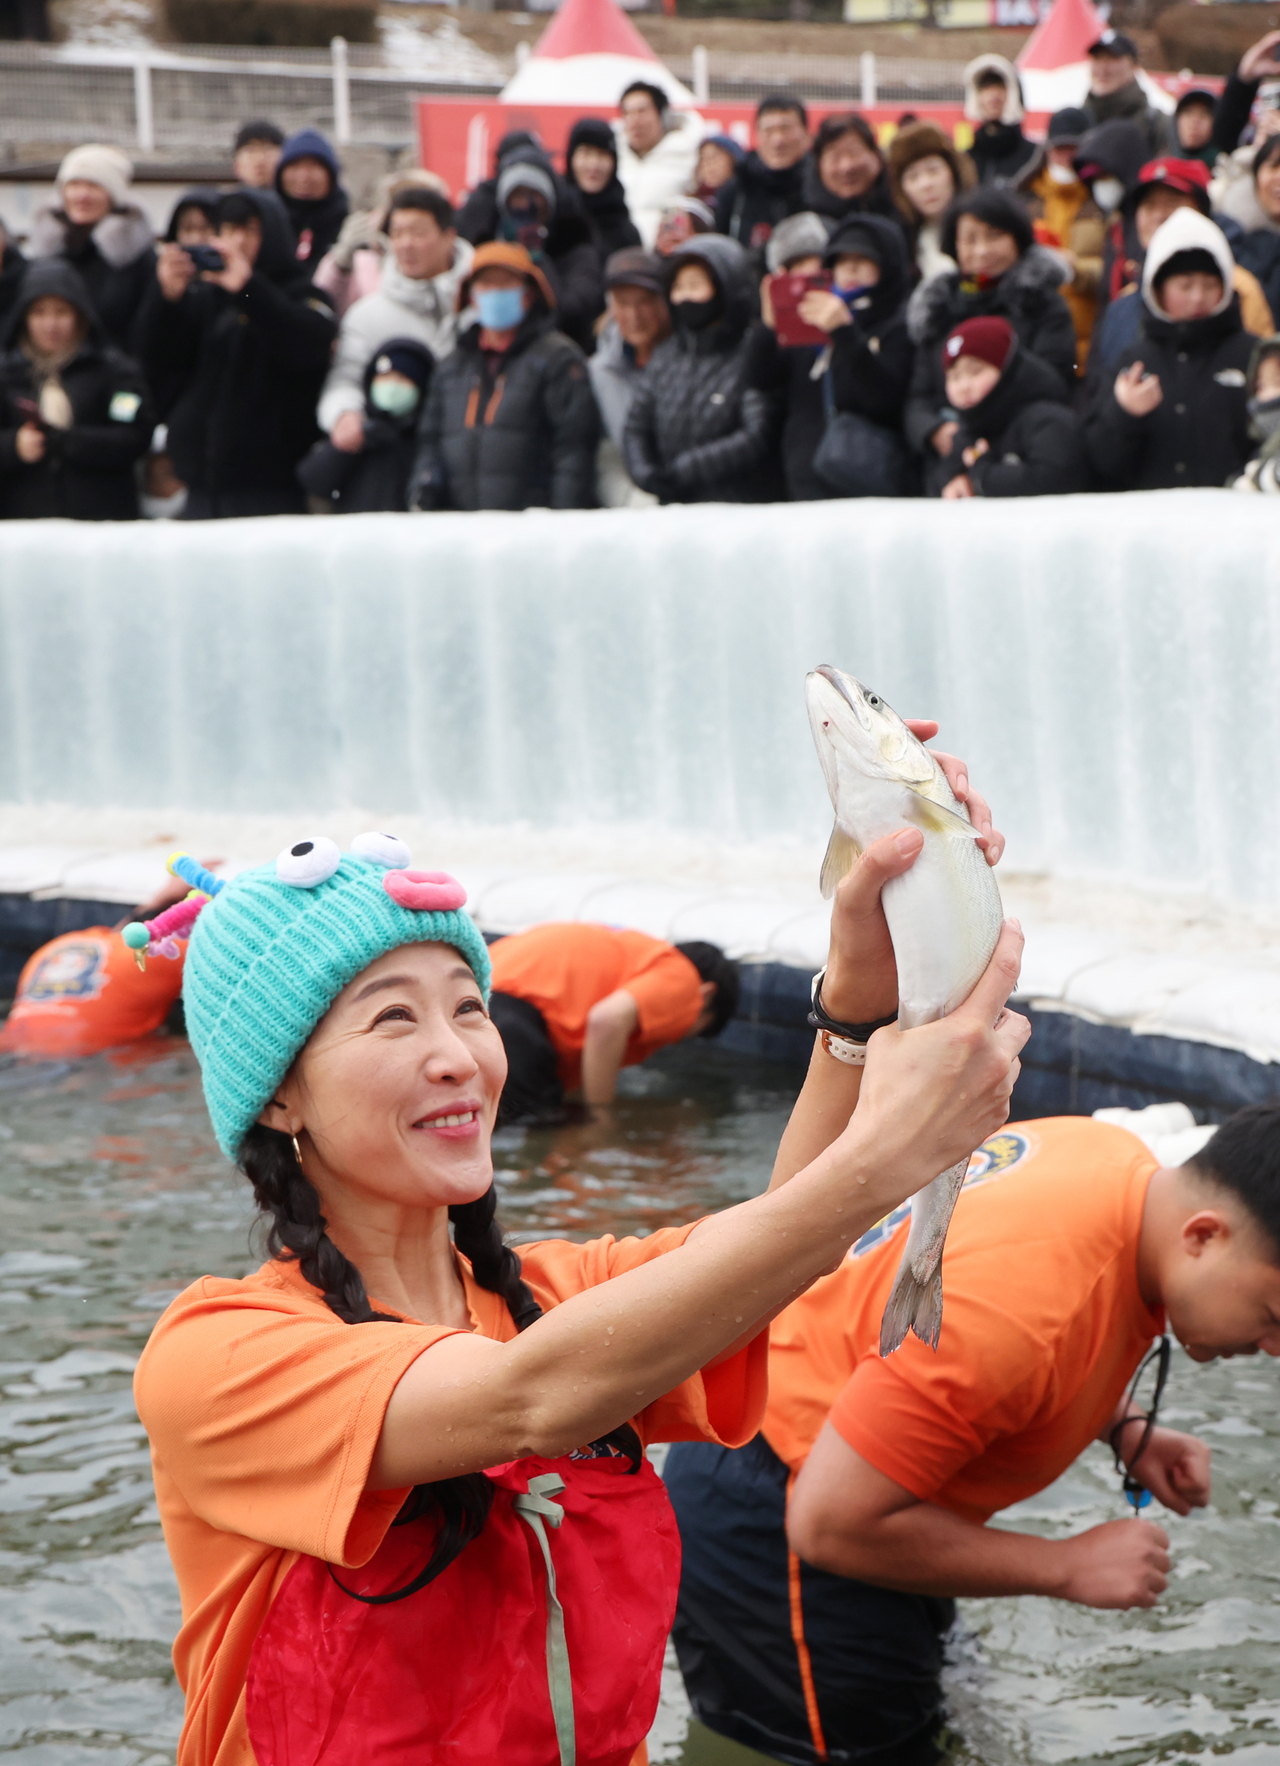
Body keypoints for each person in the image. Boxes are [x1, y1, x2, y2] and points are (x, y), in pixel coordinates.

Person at [128, 788, 1024, 1766]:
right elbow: (531, 1396)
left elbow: (758, 1262)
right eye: (393, 1019)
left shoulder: (558, 1294)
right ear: (281, 1094)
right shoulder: (213, 1356)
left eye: (468, 1008)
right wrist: (889, 1158)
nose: (458, 1056)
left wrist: (855, 995)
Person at [665, 1084, 1280, 1764]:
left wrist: (1123, 1425)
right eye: (1275, 1317)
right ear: (1203, 1235)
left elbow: (1063, 1323)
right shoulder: (1013, 1311)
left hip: (857, 1459)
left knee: (943, 1714)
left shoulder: (1112, 1161)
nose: (1276, 1349)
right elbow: (827, 1524)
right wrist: (1066, 1565)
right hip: (776, 1512)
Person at [138, 189, 337, 520]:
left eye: (249, 230)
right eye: (227, 230)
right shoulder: (207, 299)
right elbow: (157, 361)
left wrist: (247, 288)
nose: (236, 241)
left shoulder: (304, 294)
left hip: (270, 491)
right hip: (200, 486)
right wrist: (166, 300)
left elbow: (306, 346)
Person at [904, 187, 1075, 494]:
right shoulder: (939, 308)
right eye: (969, 239)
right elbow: (918, 396)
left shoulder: (1042, 303)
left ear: (1017, 239)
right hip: (948, 464)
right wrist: (934, 431)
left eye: (994, 236)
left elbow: (1057, 381)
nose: (981, 251)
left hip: (1022, 452)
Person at [409, 241, 598, 512]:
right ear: (471, 296)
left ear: (529, 293)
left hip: (532, 526)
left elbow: (573, 450)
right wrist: (424, 489)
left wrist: (562, 520)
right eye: (486, 284)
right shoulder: (453, 365)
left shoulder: (557, 358)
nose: (495, 293)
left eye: (506, 284)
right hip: (462, 527)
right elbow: (430, 443)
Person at [486, 923, 737, 1122]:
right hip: (515, 1024)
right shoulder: (684, 979)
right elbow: (607, 1020)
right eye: (696, 1030)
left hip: (479, 1005)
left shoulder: (631, 954)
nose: (677, 1038)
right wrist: (599, 1116)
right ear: (706, 996)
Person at [1083, 206, 1253, 490]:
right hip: (1156, 526)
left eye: (1210, 285)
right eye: (1184, 286)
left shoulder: (1253, 354)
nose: (1198, 298)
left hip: (1239, 522)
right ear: (1158, 288)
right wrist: (1124, 413)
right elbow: (1100, 463)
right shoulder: (1134, 359)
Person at [748, 212, 913, 503]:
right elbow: (759, 379)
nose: (850, 269)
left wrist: (845, 334)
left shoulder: (898, 325)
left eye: (863, 259)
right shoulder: (811, 320)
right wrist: (768, 328)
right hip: (804, 480)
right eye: (840, 260)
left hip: (867, 484)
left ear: (886, 265)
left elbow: (884, 400)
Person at [1087, 159, 1274, 389]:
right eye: (1149, 205)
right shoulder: (1125, 300)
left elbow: (1264, 379)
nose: (1159, 215)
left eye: (1172, 203)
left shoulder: (1240, 288)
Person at [623, 233, 772, 504]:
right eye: (678, 287)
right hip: (675, 506)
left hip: (738, 506)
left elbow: (756, 433)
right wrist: (645, 472)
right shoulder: (666, 354)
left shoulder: (752, 350)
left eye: (695, 285)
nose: (684, 297)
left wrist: (686, 470)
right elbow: (636, 426)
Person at [317, 187, 473, 445]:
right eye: (397, 233)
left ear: (449, 237)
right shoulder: (368, 314)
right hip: (395, 452)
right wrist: (344, 414)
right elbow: (345, 379)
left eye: (418, 232)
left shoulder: (479, 302)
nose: (406, 244)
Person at [0, 259, 152, 521]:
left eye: (61, 312)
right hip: (24, 529)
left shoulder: (114, 372)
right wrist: (14, 446)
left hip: (101, 523)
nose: (51, 324)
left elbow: (133, 435)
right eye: (39, 312)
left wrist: (68, 441)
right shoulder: (6, 374)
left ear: (80, 314)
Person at [459, 145, 603, 352]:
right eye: (516, 197)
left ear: (549, 203)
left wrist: (538, 260)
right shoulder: (486, 248)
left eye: (534, 197)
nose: (525, 206)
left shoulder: (576, 248)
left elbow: (572, 313)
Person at [933, 316, 1088, 499]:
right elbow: (941, 479)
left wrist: (982, 475)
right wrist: (955, 481)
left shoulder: (1047, 420)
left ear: (1007, 369)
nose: (963, 386)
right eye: (954, 377)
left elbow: (1055, 479)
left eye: (976, 371)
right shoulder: (968, 431)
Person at [25, 144, 154, 353]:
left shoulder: (136, 257)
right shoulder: (43, 256)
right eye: (74, 184)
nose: (82, 195)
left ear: (114, 195)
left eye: (94, 185)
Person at [299, 337, 433, 514]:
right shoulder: (359, 426)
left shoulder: (426, 436)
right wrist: (348, 445)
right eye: (384, 377)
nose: (391, 386)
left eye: (401, 379)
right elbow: (313, 479)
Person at [1015, 108, 1104, 372]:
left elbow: (1116, 267)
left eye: (1073, 149)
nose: (1066, 157)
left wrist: (1076, 269)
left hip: (1090, 345)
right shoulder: (1024, 200)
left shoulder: (1105, 202)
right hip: (1035, 344)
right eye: (1059, 148)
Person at [588, 247, 670, 507]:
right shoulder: (599, 373)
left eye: (644, 301)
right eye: (623, 303)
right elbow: (604, 455)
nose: (634, 316)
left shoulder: (686, 359)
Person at [314, 169, 454, 318]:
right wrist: (340, 264)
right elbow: (321, 306)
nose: (407, 243)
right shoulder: (363, 257)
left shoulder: (470, 275)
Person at [714, 95, 811, 260]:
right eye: (768, 130)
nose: (777, 140)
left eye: (785, 129)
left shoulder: (822, 184)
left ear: (805, 133)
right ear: (757, 135)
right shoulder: (736, 189)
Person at [614, 79, 701, 251]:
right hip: (622, 257)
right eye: (628, 113)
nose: (635, 121)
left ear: (662, 114)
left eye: (642, 111)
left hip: (668, 256)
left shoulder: (688, 155)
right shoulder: (613, 157)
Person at [887, 120, 976, 283]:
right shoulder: (902, 245)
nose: (926, 184)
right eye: (913, 177)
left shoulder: (982, 226)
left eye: (933, 170)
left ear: (953, 172)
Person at [1082, 31, 1177, 158]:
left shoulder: (1156, 123)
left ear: (1134, 66)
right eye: (1097, 59)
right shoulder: (1076, 120)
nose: (1103, 69)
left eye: (1112, 59)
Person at [800, 113, 898, 229]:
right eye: (835, 157)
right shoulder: (806, 221)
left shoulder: (904, 209)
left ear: (876, 155)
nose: (846, 167)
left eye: (854, 153)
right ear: (819, 165)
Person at [274, 128, 349, 278]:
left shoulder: (346, 224)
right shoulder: (269, 221)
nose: (304, 177)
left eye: (313, 166)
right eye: (295, 166)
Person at [565, 117, 642, 263]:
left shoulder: (625, 231)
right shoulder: (555, 218)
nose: (594, 165)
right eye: (586, 153)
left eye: (602, 154)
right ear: (571, 158)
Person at [963, 55, 1036, 186]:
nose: (993, 96)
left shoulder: (1034, 156)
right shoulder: (967, 159)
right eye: (986, 88)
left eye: (1000, 86)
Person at [1230, 332, 1280, 489]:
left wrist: (1266, 477)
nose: (1267, 395)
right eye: (1261, 385)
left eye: (1277, 382)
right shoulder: (1258, 451)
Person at [694, 133, 743, 208]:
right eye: (703, 158)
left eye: (716, 156)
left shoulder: (743, 200)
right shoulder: (693, 204)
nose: (708, 164)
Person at [233, 120, 284, 190]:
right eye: (251, 151)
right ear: (237, 165)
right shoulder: (224, 199)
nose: (260, 159)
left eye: (267, 149)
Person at [1175, 89, 1219, 168]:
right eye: (1188, 113)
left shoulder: (1223, 168)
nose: (1195, 121)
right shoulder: (1161, 167)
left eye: (1203, 114)